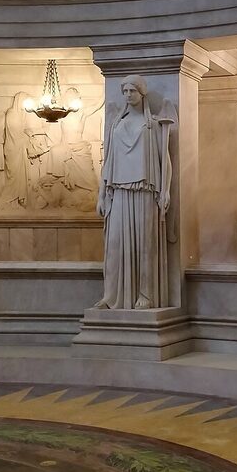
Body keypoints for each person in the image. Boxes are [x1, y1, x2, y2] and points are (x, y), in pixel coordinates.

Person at [96, 75, 173, 310]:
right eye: (125, 91)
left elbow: (165, 160)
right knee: (115, 245)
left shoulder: (152, 124)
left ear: (142, 94)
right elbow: (107, 160)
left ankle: (145, 294)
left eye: (133, 91)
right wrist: (101, 194)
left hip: (145, 191)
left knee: (145, 245)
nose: (128, 95)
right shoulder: (117, 124)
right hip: (118, 190)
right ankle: (112, 297)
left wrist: (166, 190)